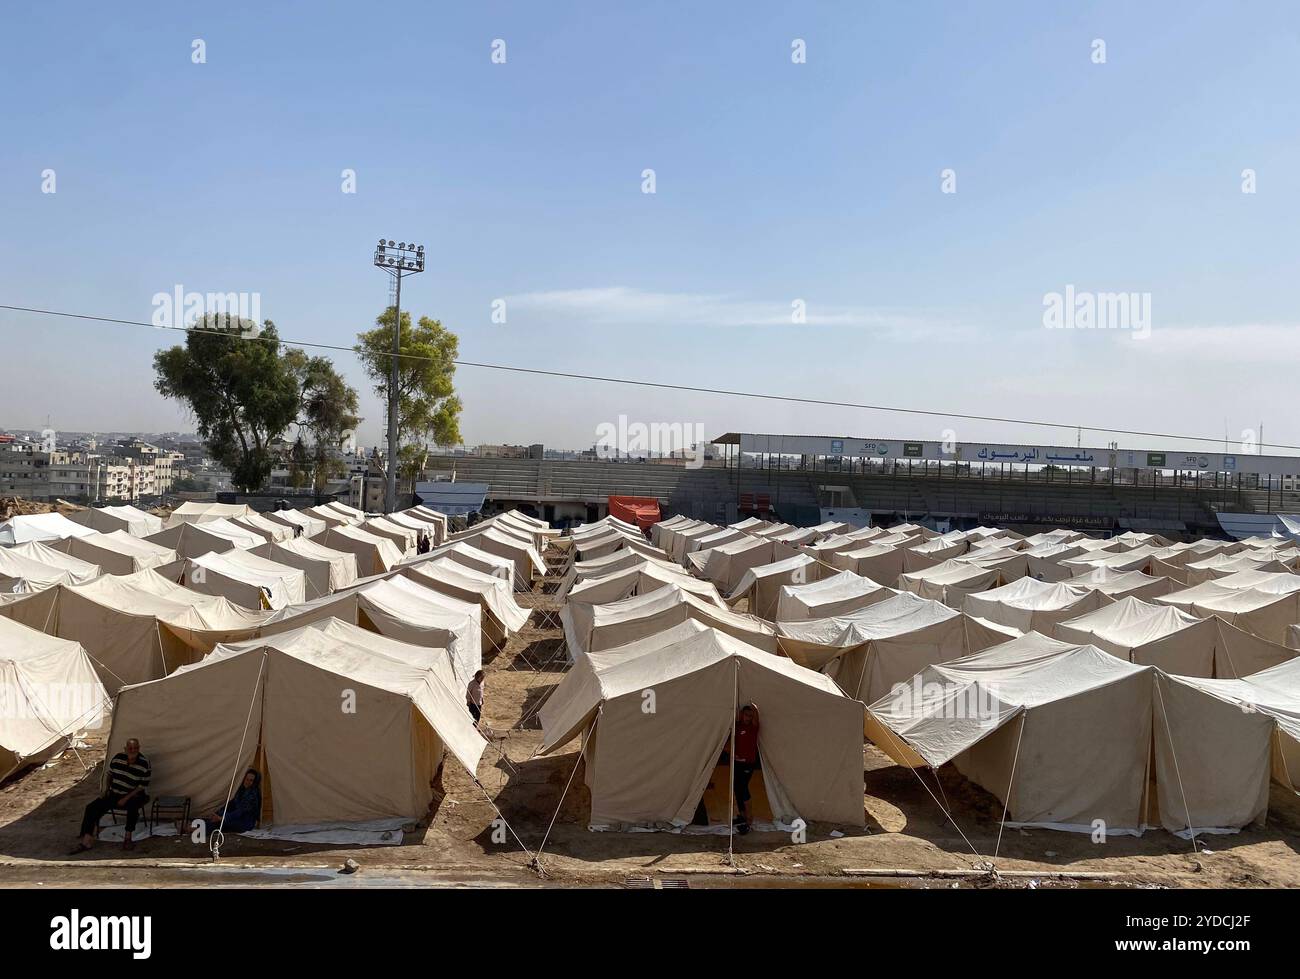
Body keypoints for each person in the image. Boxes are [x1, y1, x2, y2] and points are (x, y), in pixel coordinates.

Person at [72, 738, 151, 853]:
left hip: (133, 795)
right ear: (125, 749)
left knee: (133, 808)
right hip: (115, 792)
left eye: (136, 748)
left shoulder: (144, 763)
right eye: (130, 748)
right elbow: (110, 775)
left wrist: (126, 798)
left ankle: (128, 838)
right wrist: (106, 789)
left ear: (139, 748)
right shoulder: (118, 758)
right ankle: (87, 839)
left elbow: (142, 786)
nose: (133, 750)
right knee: (92, 807)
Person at [200, 769, 262, 836]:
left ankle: (197, 829)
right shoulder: (242, 790)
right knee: (217, 816)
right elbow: (232, 803)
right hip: (237, 817)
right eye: (246, 779)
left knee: (220, 823)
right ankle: (197, 826)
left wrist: (222, 818)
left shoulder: (253, 794)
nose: (247, 782)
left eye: (251, 780)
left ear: (255, 782)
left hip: (246, 822)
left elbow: (240, 811)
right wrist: (219, 812)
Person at [732, 705, 760, 834]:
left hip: (748, 763)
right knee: (737, 788)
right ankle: (742, 816)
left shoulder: (753, 728)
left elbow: (756, 720)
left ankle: (749, 818)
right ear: (742, 714)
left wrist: (755, 709)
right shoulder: (737, 726)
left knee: (743, 788)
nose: (748, 717)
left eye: (750, 715)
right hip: (737, 762)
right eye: (746, 715)